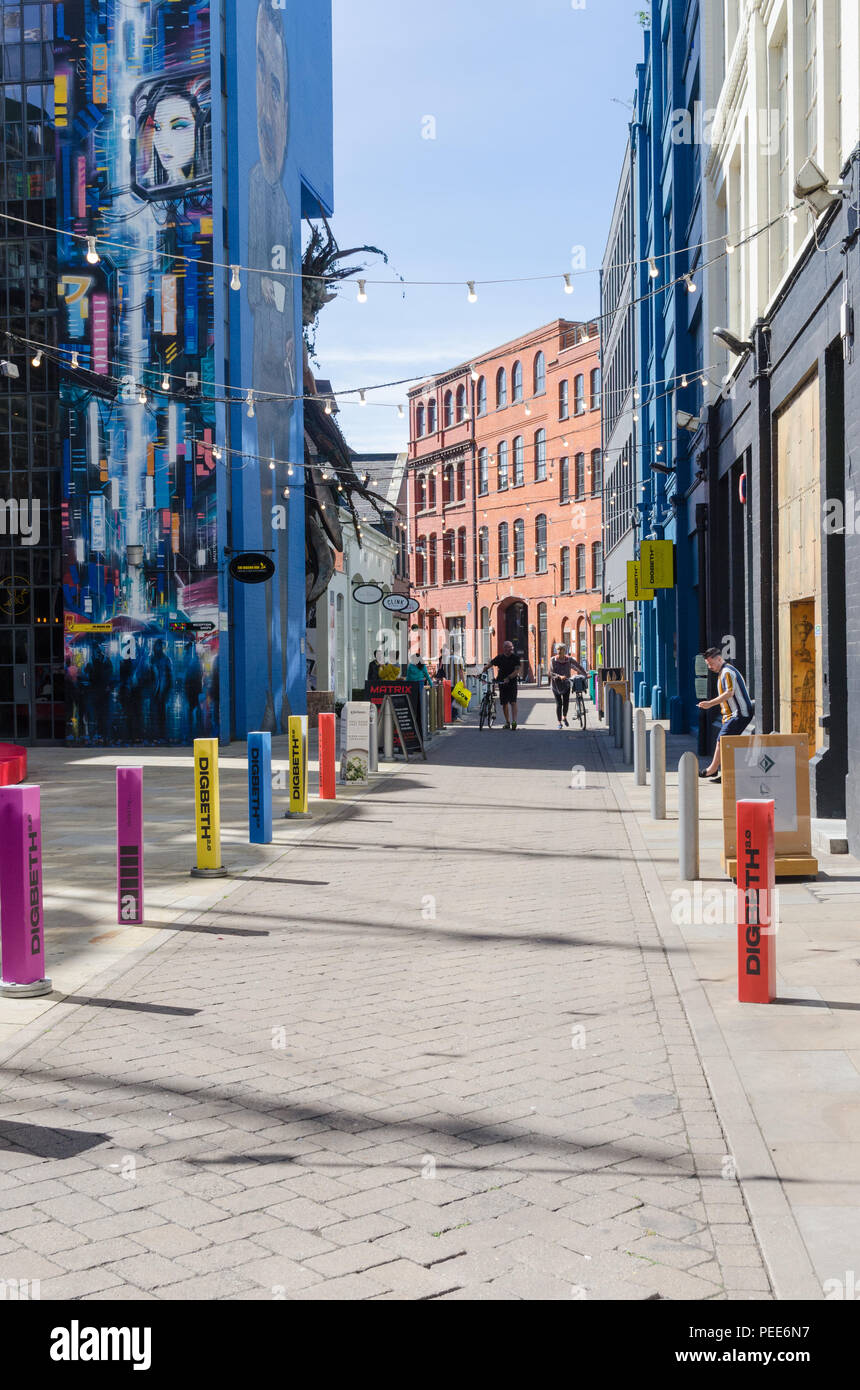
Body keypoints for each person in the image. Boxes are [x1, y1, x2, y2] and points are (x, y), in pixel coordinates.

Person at [696, 645, 753, 782]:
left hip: (739, 714)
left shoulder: (727, 672)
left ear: (719, 659)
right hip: (733, 715)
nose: (709, 667)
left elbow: (729, 693)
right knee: (726, 743)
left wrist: (710, 703)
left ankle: (712, 769)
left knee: (722, 741)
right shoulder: (724, 672)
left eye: (710, 663)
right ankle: (726, 774)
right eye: (707, 664)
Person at [481, 640, 523, 730]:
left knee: (513, 702)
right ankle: (507, 722)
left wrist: (508, 677)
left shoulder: (515, 658)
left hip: (511, 683)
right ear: (504, 648)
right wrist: (481, 672)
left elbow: (517, 671)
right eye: (509, 647)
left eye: (511, 647)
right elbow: (490, 664)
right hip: (501, 682)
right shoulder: (500, 657)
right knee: (504, 703)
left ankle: (514, 721)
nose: (511, 648)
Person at [549, 644, 586, 729]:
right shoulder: (553, 660)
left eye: (560, 650)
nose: (558, 651)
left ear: (564, 651)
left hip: (566, 684)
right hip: (556, 685)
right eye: (557, 649)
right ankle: (559, 722)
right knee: (559, 704)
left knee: (566, 703)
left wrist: (585, 674)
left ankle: (564, 717)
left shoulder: (569, 659)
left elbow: (578, 666)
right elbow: (551, 673)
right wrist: (559, 677)